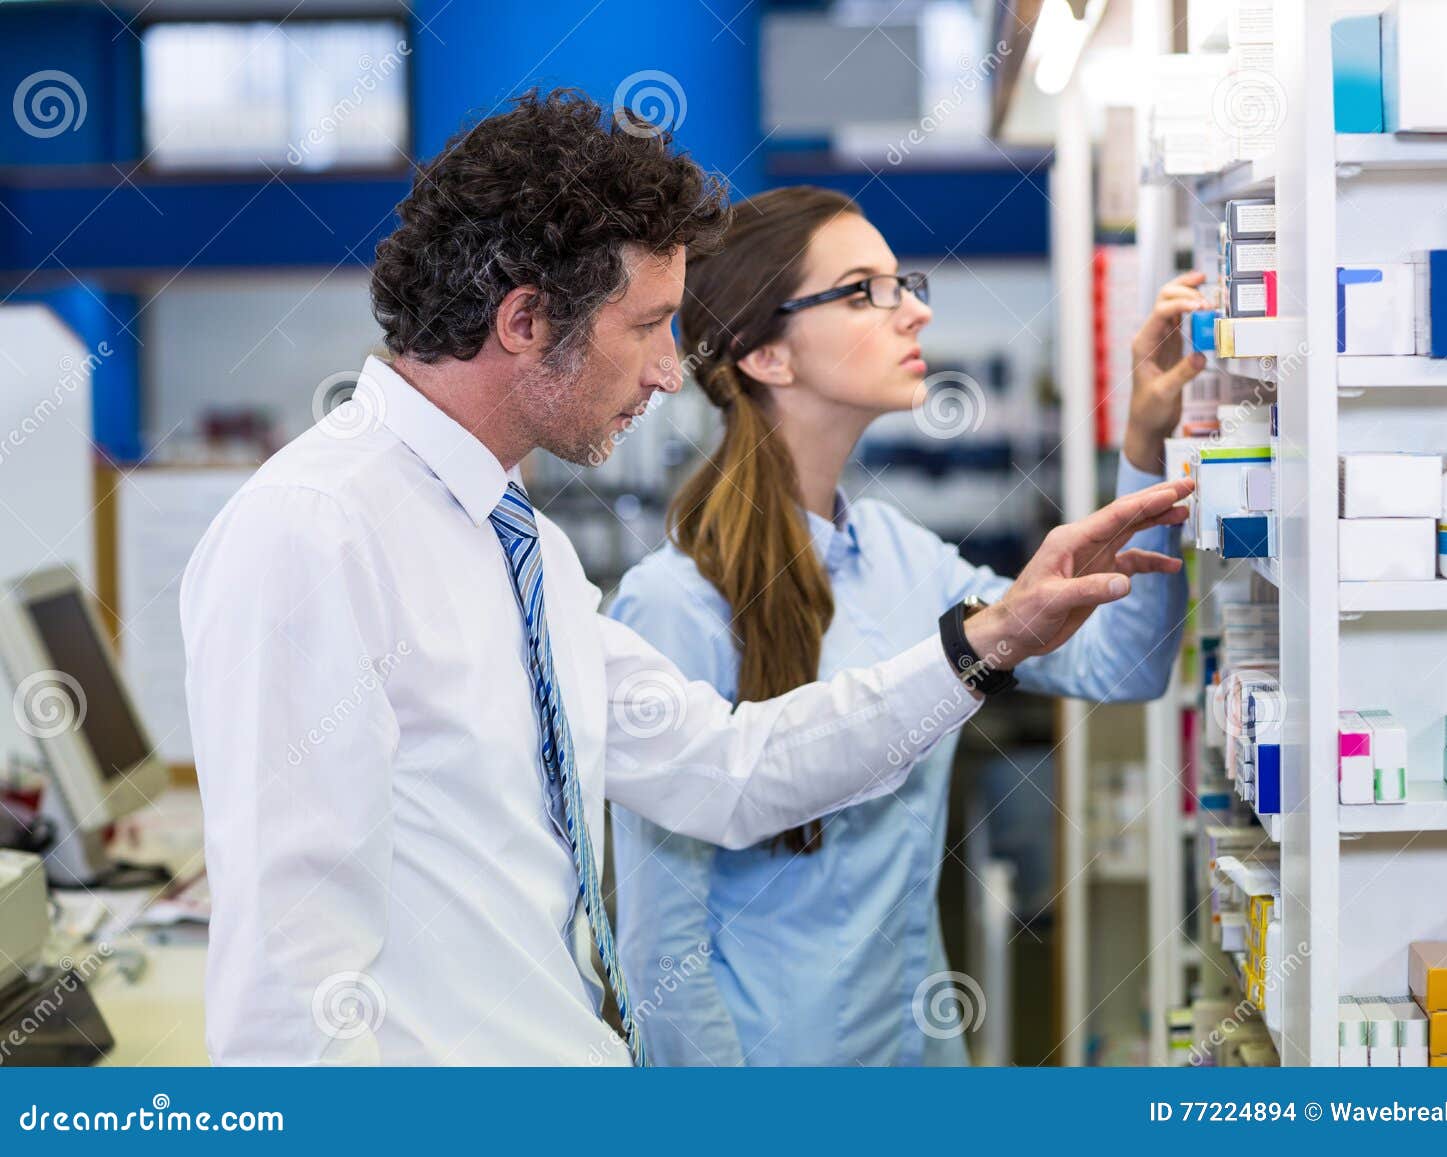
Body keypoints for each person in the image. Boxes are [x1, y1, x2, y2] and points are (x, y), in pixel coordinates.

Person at [179, 91, 1193, 1066]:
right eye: (647, 325)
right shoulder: (318, 531)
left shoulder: (513, 541)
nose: (671, 372)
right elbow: (291, 988)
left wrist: (987, 638)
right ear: (526, 320)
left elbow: (729, 769)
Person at [609, 186, 1207, 1066]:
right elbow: (661, 954)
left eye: (904, 283)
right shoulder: (674, 602)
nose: (915, 310)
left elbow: (1122, 668)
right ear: (765, 353)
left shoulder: (899, 556)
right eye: (865, 290)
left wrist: (1147, 445)